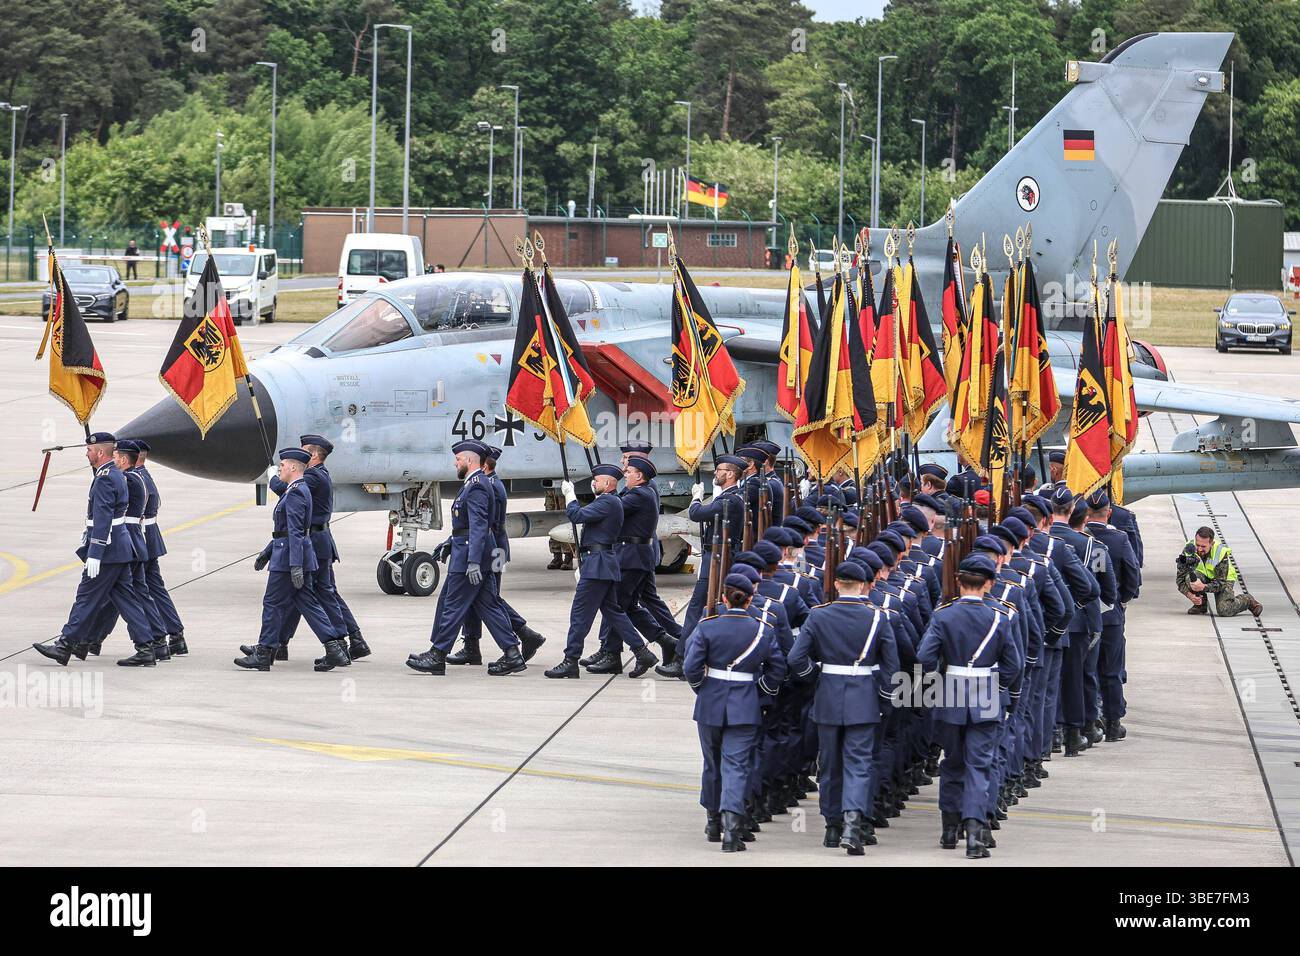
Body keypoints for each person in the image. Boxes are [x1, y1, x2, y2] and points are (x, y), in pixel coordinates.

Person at [788, 560, 899, 855]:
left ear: (836, 584)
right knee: (859, 764)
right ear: (863, 585)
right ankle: (853, 824)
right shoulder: (877, 618)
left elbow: (796, 658)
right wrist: (885, 698)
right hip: (864, 699)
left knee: (830, 764)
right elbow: (891, 666)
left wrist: (817, 677)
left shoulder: (819, 615)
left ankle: (832, 826)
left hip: (827, 696)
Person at [917, 553, 1023, 859]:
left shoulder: (943, 615)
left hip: (951, 692)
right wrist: (998, 688)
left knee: (952, 761)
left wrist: (942, 677)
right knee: (980, 764)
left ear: (959, 582)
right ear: (989, 584)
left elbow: (924, 656)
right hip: (986, 694)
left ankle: (949, 829)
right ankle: (976, 832)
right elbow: (1013, 664)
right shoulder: (1000, 617)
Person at [33, 433, 157, 667]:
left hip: (108, 550)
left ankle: (64, 645)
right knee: (126, 599)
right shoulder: (116, 474)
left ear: (100, 452)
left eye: (90, 450)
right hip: (120, 547)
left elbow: (103, 518)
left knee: (86, 597)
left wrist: (95, 553)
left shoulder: (106, 479)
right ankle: (146, 647)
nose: (86, 453)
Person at [683, 572, 785, 852]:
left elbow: (691, 666)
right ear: (751, 599)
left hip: (710, 702)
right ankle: (731, 829)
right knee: (736, 767)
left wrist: (702, 689)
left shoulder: (707, 626)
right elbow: (777, 668)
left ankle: (713, 820)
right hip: (745, 705)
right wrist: (761, 691)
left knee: (712, 764)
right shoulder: (763, 628)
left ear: (724, 599)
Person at [407, 441, 525, 676]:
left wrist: (472, 562)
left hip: (472, 556)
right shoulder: (473, 484)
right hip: (470, 551)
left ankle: (437, 655)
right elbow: (468, 525)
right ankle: (512, 654)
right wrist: (450, 543)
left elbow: (480, 527)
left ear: (470, 461)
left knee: (453, 605)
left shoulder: (478, 486)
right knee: (488, 605)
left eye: (458, 459)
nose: (455, 462)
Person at [235, 448, 350, 672]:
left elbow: (296, 532)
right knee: (308, 602)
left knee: (272, 603)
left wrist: (295, 565)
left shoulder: (296, 493)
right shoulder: (297, 489)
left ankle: (264, 652)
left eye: (284, 466)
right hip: (292, 554)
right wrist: (268, 551)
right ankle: (334, 648)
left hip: (288, 560)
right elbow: (288, 531)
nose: (281, 469)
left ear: (294, 467)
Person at [257, 435, 370, 663]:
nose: (303, 454)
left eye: (306, 451)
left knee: (320, 592)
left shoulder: (311, 477)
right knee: (302, 595)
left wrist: (271, 476)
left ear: (315, 455)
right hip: (317, 539)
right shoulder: (319, 474)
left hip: (314, 541)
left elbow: (286, 490)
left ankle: (341, 642)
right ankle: (281, 642)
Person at [545, 464, 658, 679]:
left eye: (596, 481)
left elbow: (576, 515)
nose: (593, 483)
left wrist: (570, 495)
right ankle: (642, 652)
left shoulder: (608, 502)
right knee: (614, 612)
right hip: (600, 563)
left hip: (597, 566)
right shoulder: (609, 501)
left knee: (580, 614)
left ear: (607, 483)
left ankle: (570, 660)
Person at [447, 444, 546, 665]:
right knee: (480, 596)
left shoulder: (489, 485)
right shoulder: (487, 483)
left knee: (488, 596)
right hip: (493, 547)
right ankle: (473, 644)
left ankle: (524, 633)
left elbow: (484, 525)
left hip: (493, 549)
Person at [657, 453, 747, 679]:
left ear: (730, 474)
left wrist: (696, 498)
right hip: (716, 557)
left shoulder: (731, 500)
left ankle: (682, 660)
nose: (715, 474)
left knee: (697, 609)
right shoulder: (730, 497)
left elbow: (696, 514)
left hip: (717, 559)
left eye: (719, 471)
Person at [586, 454, 677, 674]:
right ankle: (667, 642)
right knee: (631, 607)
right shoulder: (636, 492)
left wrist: (601, 491)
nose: (624, 474)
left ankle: (613, 654)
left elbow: (612, 508)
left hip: (632, 557)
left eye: (628, 472)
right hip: (635, 556)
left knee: (616, 606)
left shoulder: (639, 494)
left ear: (639, 475)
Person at [1084, 490, 1141, 741]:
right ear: (1108, 512)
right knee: (1112, 668)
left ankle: (1090, 716)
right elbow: (1132, 575)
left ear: (1087, 513)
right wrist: (1122, 600)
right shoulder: (1118, 540)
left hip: (1084, 613)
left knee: (1087, 668)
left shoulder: (1080, 539)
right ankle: (1112, 721)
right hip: (1111, 613)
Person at [133, 440, 186, 656]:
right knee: (154, 587)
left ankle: (160, 638)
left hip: (141, 538)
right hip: (149, 537)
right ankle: (175, 635)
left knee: (136, 589)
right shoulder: (143, 476)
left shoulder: (136, 479)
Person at [1177, 526, 1262, 618]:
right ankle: (1201, 605)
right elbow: (1180, 580)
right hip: (1204, 576)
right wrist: (1190, 595)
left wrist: (1203, 587)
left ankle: (1248, 600)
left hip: (1224, 579)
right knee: (1190, 578)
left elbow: (1221, 583)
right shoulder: (1189, 550)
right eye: (1197, 545)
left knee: (1224, 610)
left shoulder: (1220, 552)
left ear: (1212, 544)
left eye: (1203, 546)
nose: (1199, 549)